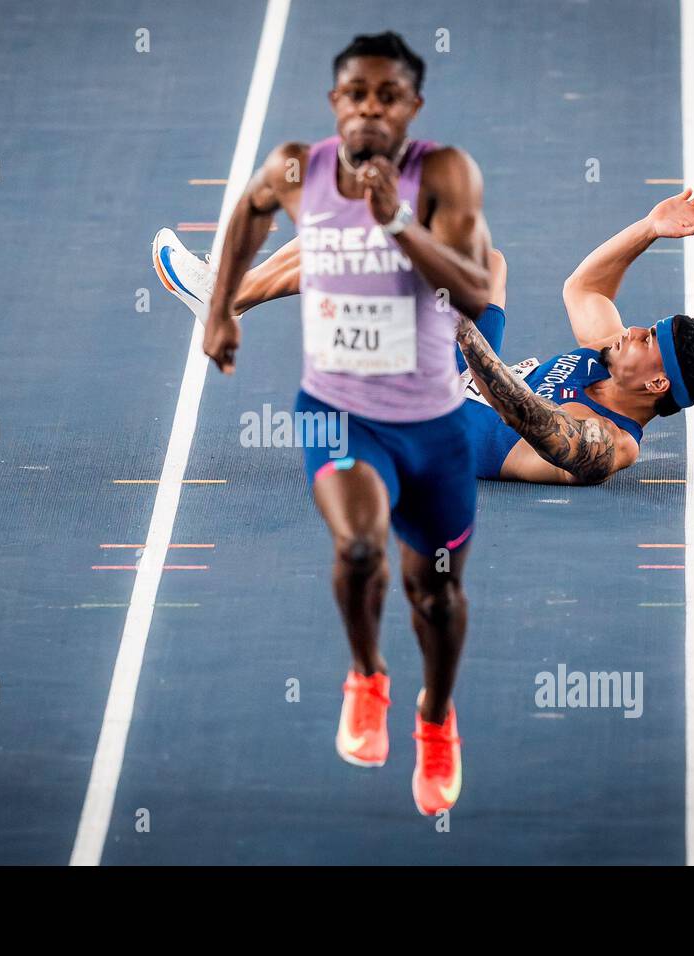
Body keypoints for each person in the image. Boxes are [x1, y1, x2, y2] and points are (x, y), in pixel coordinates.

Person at [196, 31, 491, 816]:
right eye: (355, 94)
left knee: (435, 595)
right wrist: (222, 308)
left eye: (387, 96)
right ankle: (367, 675)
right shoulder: (299, 167)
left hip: (433, 429)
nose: (369, 108)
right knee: (358, 545)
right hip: (335, 413)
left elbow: (474, 293)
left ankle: (435, 719)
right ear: (336, 104)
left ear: (411, 108)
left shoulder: (445, 175)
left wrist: (397, 224)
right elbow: (250, 211)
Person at [156, 189, 694, 485]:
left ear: (657, 381)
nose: (632, 329)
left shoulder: (612, 443)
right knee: (483, 260)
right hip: (456, 379)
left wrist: (456, 328)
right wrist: (649, 229)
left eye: (647, 337)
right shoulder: (607, 362)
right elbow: (585, 288)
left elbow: (527, 417)